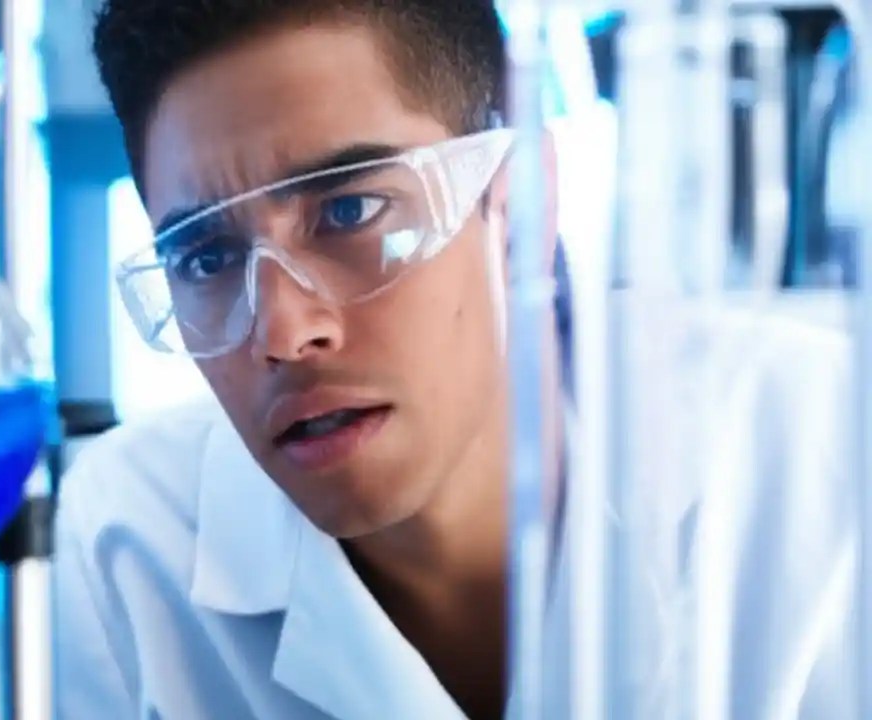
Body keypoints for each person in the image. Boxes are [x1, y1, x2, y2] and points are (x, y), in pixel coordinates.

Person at [53, 1, 856, 718]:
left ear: (515, 204)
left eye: (350, 209)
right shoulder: (132, 541)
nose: (284, 332)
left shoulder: (824, 451)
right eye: (205, 258)